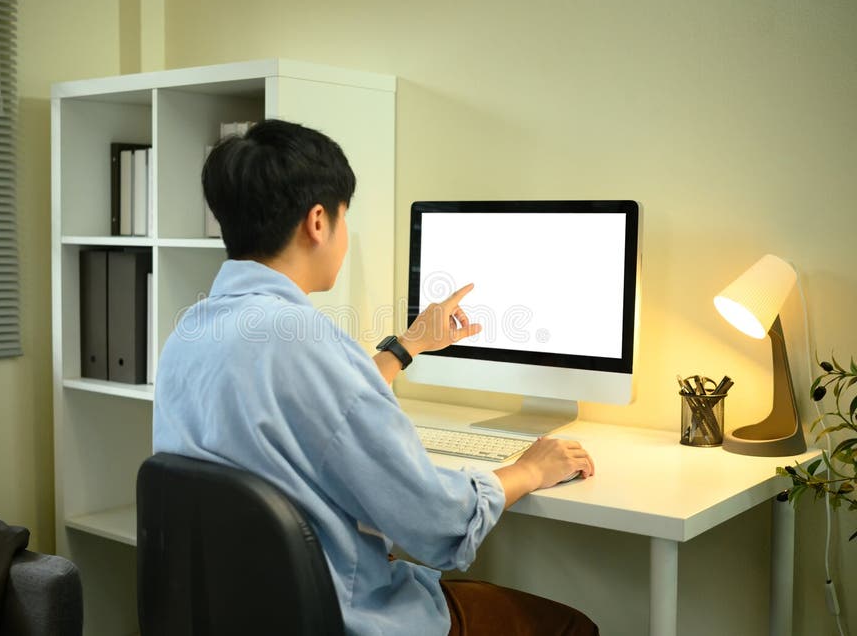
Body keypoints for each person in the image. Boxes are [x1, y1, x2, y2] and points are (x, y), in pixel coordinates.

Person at [153, 119, 598, 636]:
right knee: (571, 626)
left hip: (237, 612)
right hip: (340, 616)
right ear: (318, 221)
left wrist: (405, 348)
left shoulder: (193, 328)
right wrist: (530, 470)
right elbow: (437, 523)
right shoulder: (305, 338)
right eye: (345, 217)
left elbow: (305, 409)